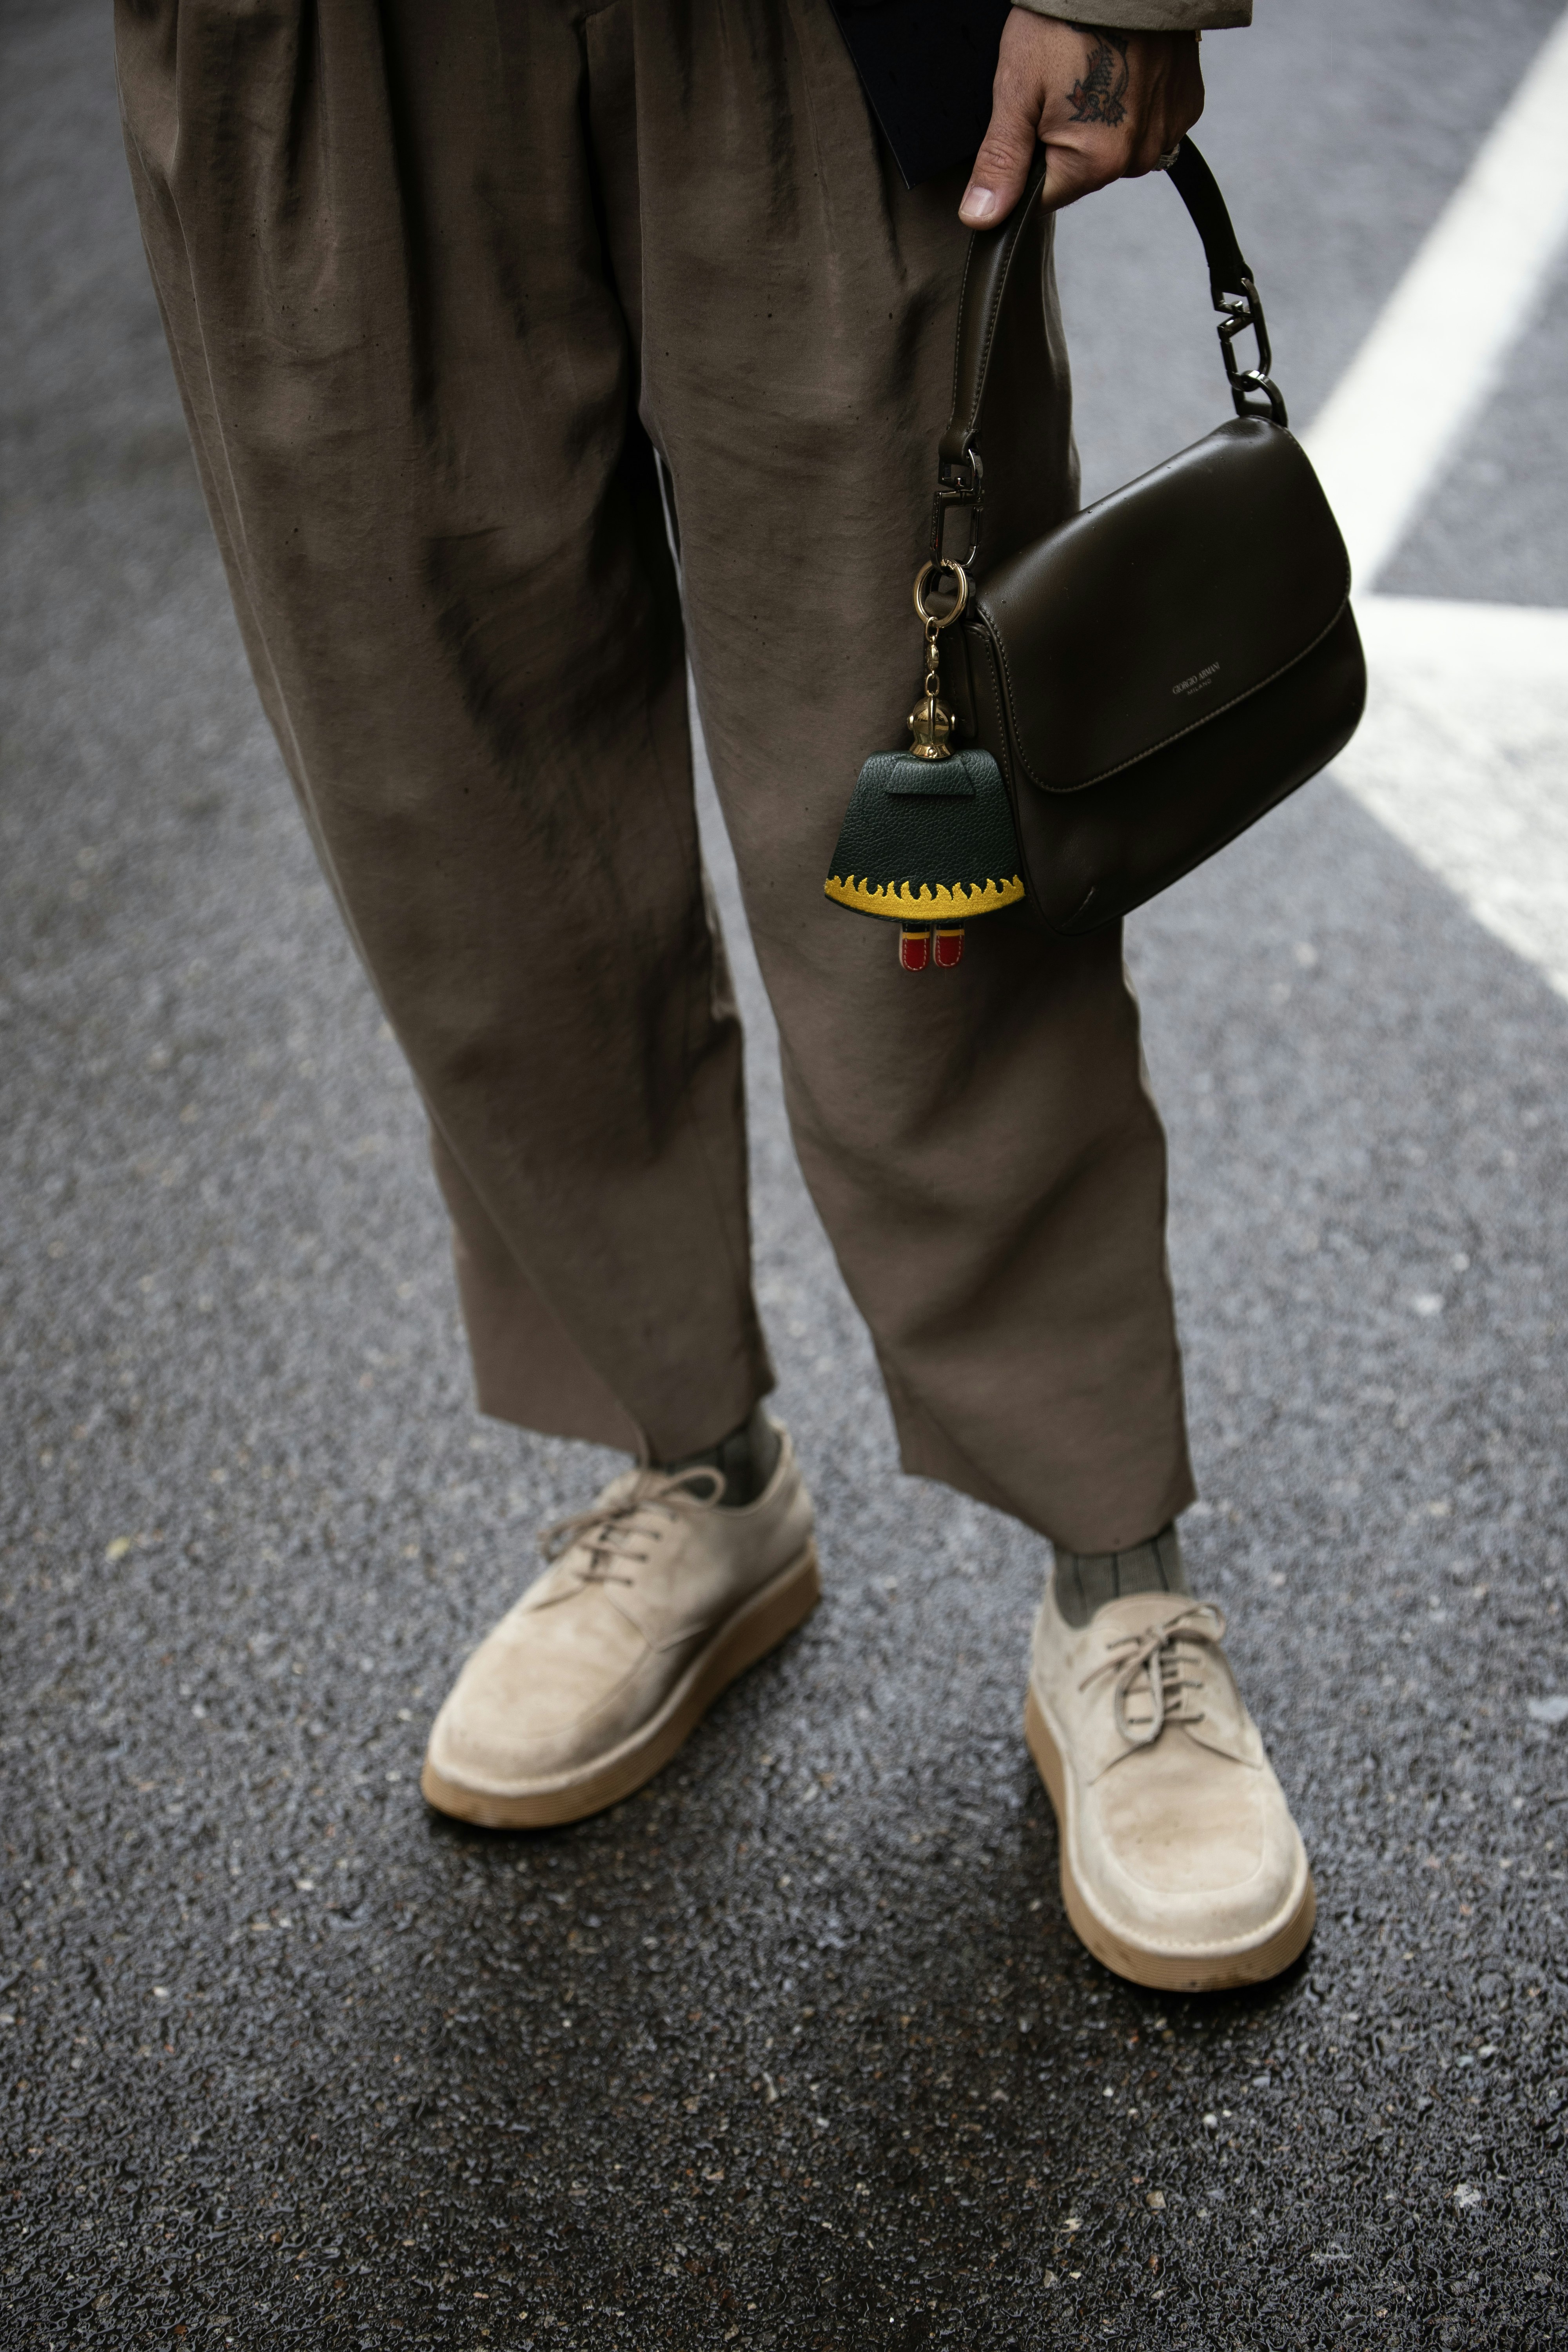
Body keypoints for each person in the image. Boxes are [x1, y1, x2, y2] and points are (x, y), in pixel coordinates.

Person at [116, 0, 1313, 1993]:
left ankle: (1120, 1579)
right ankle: (699, 1468)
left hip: (817, 32)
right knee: (458, 828)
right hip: (323, 52)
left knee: (935, 834)